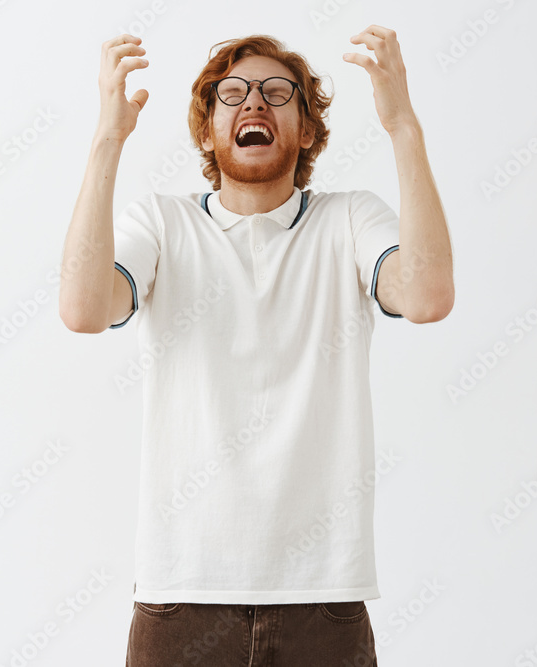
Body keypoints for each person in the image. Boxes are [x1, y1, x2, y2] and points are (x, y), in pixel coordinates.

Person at [59, 25, 454, 666]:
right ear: (209, 127)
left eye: (277, 92)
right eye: (232, 93)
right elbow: (82, 309)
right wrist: (108, 139)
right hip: (180, 598)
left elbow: (429, 296)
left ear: (305, 129)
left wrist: (403, 126)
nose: (254, 104)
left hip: (322, 602)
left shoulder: (349, 219)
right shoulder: (163, 222)